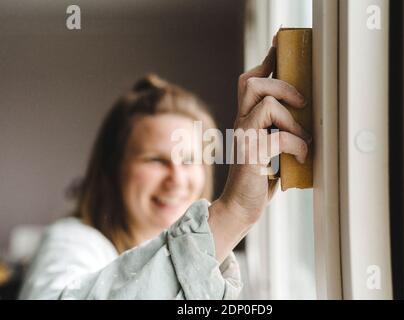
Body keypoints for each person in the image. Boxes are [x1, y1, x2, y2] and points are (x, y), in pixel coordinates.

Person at [19, 46, 310, 299]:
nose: (177, 179)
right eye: (156, 160)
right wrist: (234, 213)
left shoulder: (237, 269)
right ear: (112, 170)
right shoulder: (72, 241)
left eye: (189, 160)